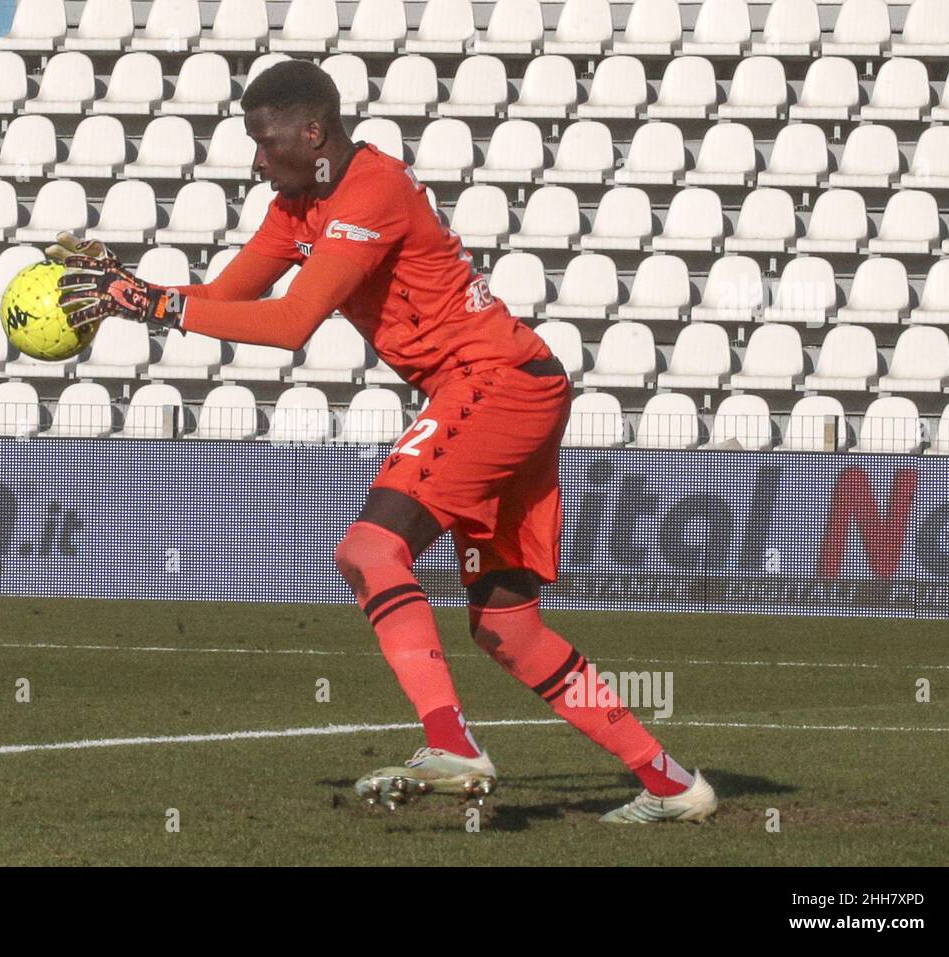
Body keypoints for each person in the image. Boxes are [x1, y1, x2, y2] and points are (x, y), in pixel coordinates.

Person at [45, 60, 716, 823]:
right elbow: (228, 300)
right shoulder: (296, 205)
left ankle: (452, 742)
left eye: (265, 143)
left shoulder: (373, 188)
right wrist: (132, 292)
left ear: (313, 132)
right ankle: (673, 784)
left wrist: (154, 303)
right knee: (509, 630)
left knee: (368, 551)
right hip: (511, 385)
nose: (256, 161)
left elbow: (292, 323)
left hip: (493, 380)